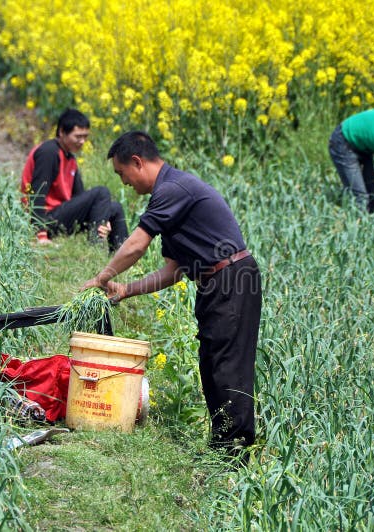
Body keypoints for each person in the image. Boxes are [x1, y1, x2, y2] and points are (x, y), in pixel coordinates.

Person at [82, 131, 262, 457]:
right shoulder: (170, 195)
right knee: (211, 365)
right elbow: (172, 271)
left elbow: (137, 244)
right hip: (215, 282)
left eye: (122, 173)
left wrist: (102, 277)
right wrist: (125, 290)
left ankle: (236, 455)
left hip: (232, 279)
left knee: (228, 368)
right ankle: (223, 445)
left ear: (137, 162)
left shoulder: (171, 189)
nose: (124, 183)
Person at [20, 108, 129, 251]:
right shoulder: (49, 152)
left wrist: (104, 217)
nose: (82, 141)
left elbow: (80, 198)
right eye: (78, 137)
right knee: (102, 192)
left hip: (61, 215)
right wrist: (40, 234)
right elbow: (36, 193)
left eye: (85, 137)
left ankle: (122, 255)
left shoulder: (70, 157)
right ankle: (96, 249)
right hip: (46, 219)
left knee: (114, 208)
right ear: (61, 132)